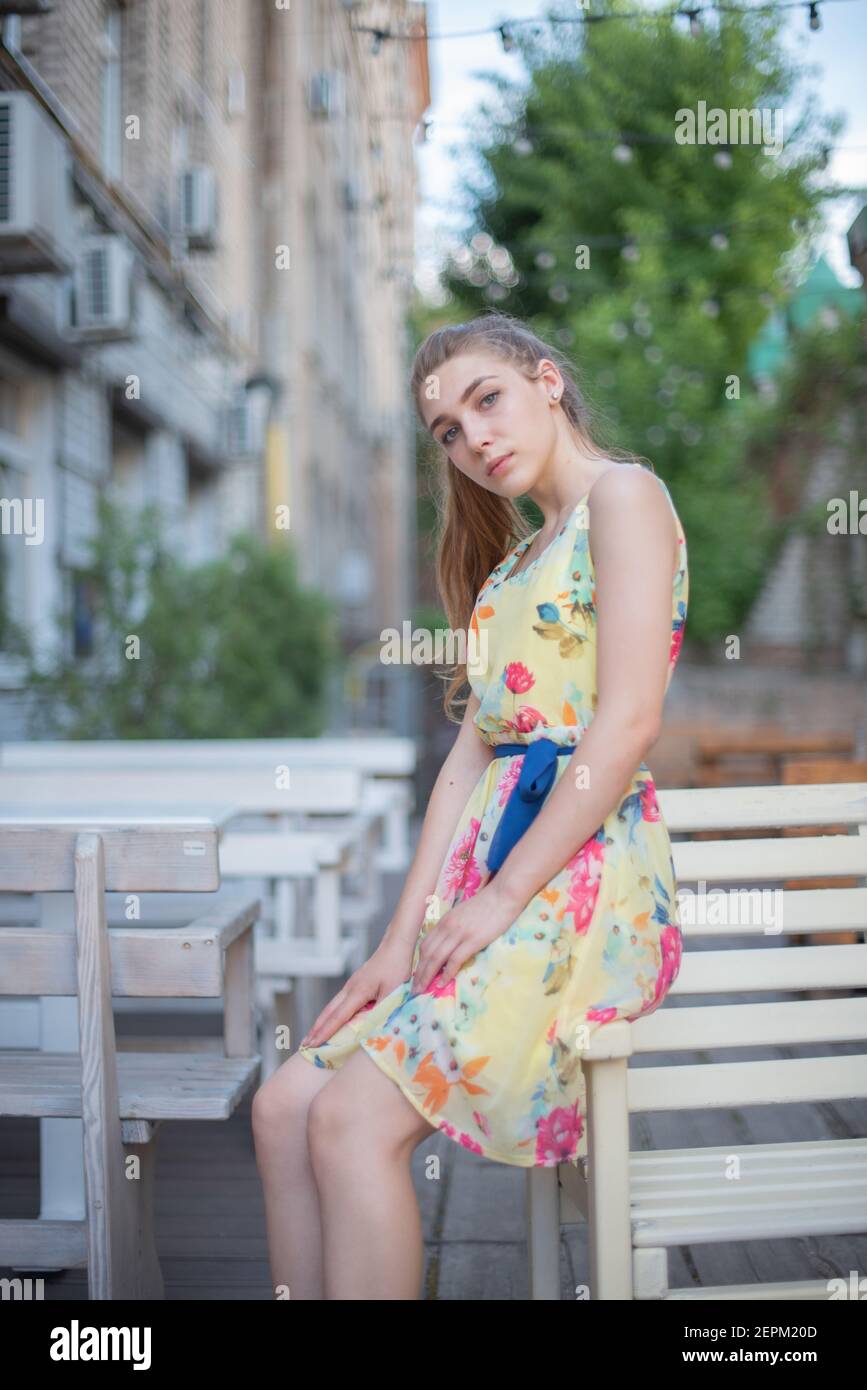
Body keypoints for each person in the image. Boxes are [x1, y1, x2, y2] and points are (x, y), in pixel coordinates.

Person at [252, 310, 689, 1301]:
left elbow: (625, 725)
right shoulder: (511, 570)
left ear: (545, 380)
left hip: (573, 884)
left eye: (485, 399)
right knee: (285, 1109)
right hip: (487, 888)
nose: (472, 437)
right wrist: (396, 941)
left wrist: (497, 902)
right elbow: (465, 765)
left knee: (350, 1121)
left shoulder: (625, 498)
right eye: (447, 428)